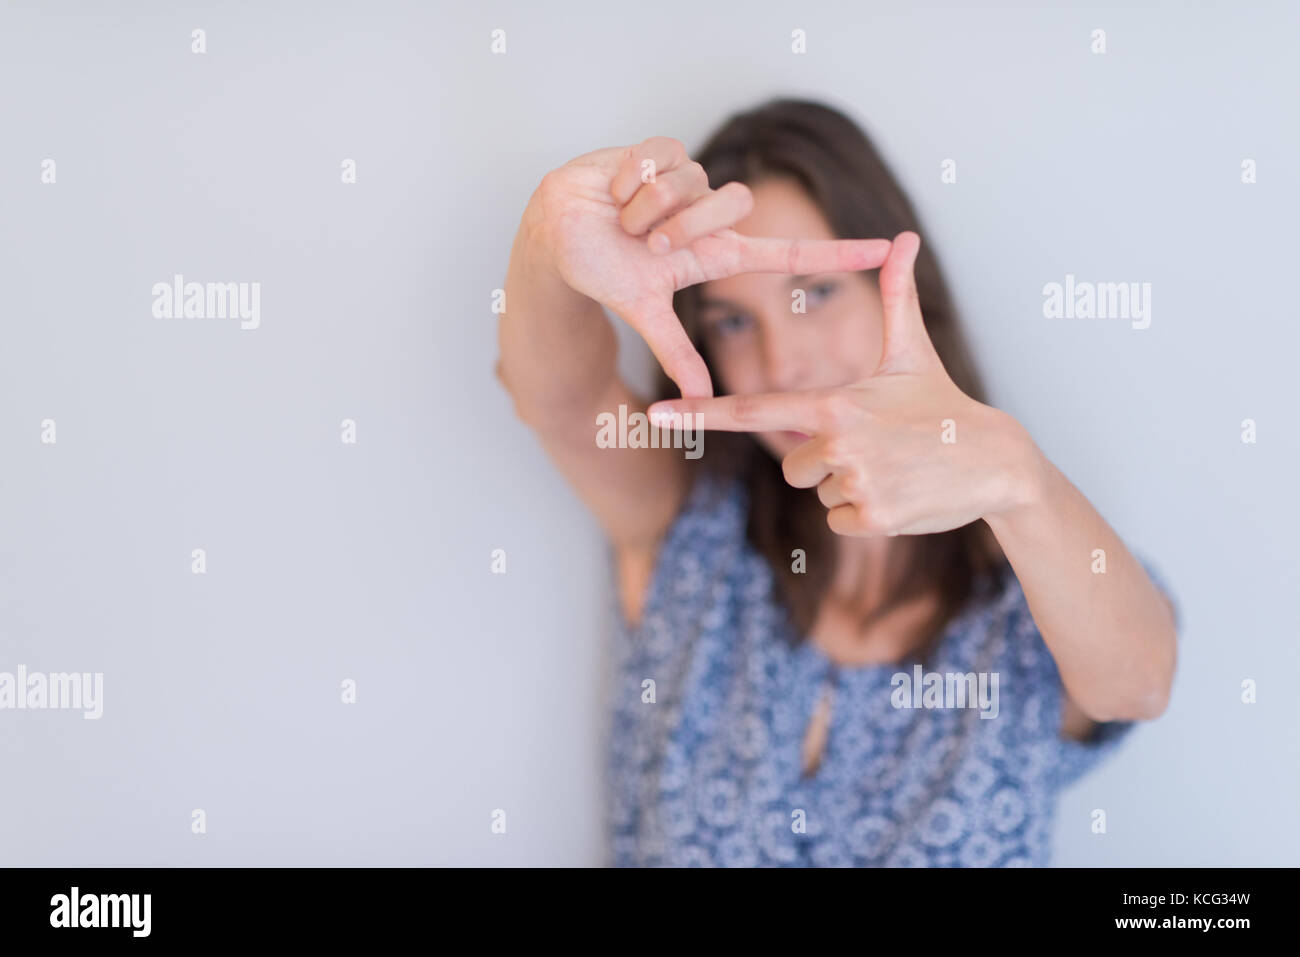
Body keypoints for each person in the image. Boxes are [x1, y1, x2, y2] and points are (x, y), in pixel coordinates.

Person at [496, 98, 1179, 867]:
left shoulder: (1022, 601)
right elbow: (556, 397)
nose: (781, 362)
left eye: (814, 293)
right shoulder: (688, 524)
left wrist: (1018, 478)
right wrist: (549, 238)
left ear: (904, 289)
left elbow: (1139, 684)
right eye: (729, 320)